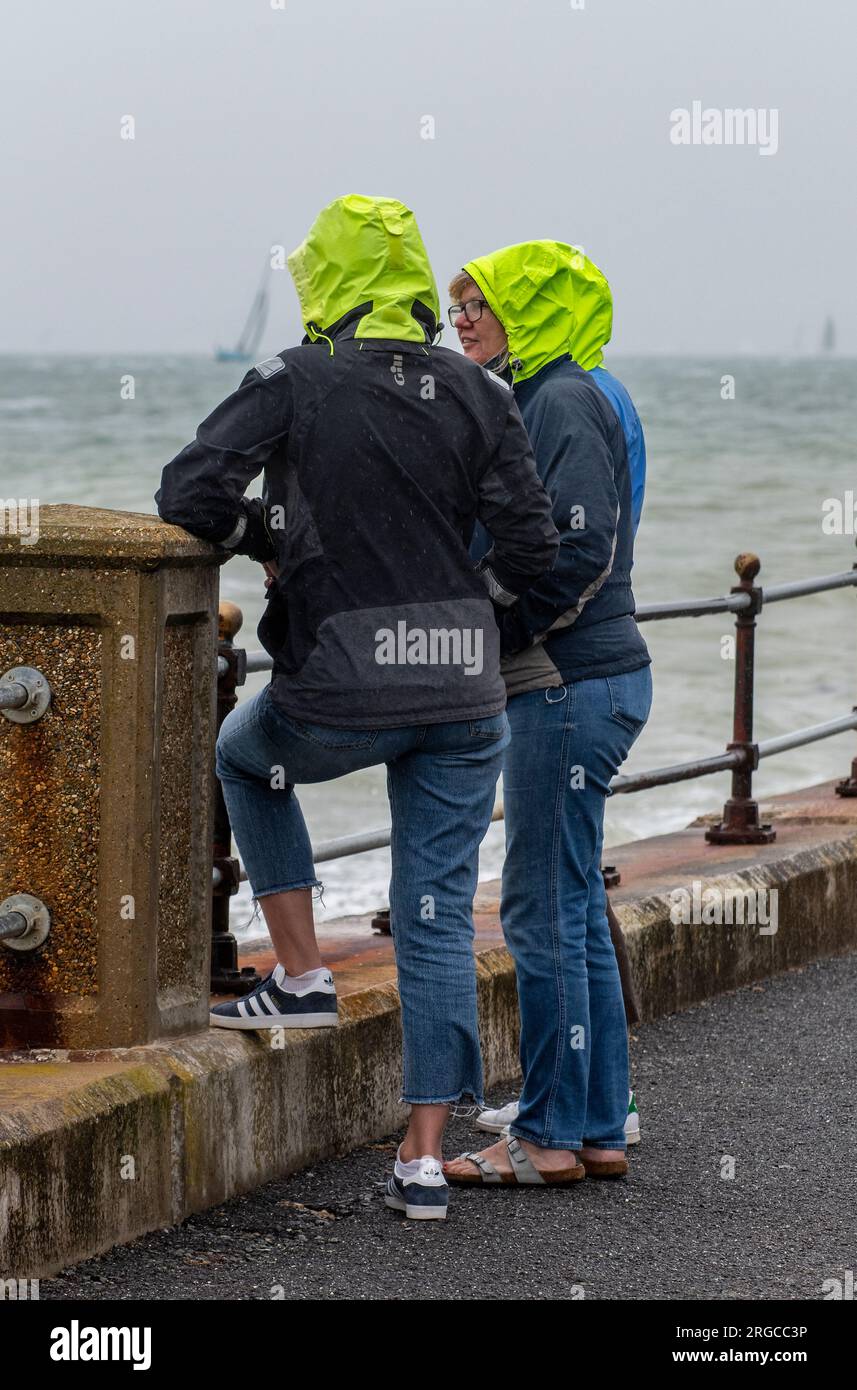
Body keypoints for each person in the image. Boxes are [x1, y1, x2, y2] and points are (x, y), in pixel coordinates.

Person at [155, 195, 559, 1221]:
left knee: (245, 758)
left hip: (341, 685)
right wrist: (474, 627)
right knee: (431, 916)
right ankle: (423, 1160)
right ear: (415, 284)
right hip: (466, 696)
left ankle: (296, 974)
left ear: (323, 283)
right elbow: (531, 549)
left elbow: (187, 489)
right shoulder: (475, 388)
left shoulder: (296, 377)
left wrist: (267, 536)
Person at [441, 241, 652, 1189]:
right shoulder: (567, 390)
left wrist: (500, 631)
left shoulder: (560, 396)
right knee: (569, 905)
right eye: (453, 301)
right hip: (593, 682)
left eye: (479, 299)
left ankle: (545, 1134)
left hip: (564, 685)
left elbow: (579, 550)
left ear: (527, 304)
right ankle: (596, 1125)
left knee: (540, 914)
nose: (461, 316)